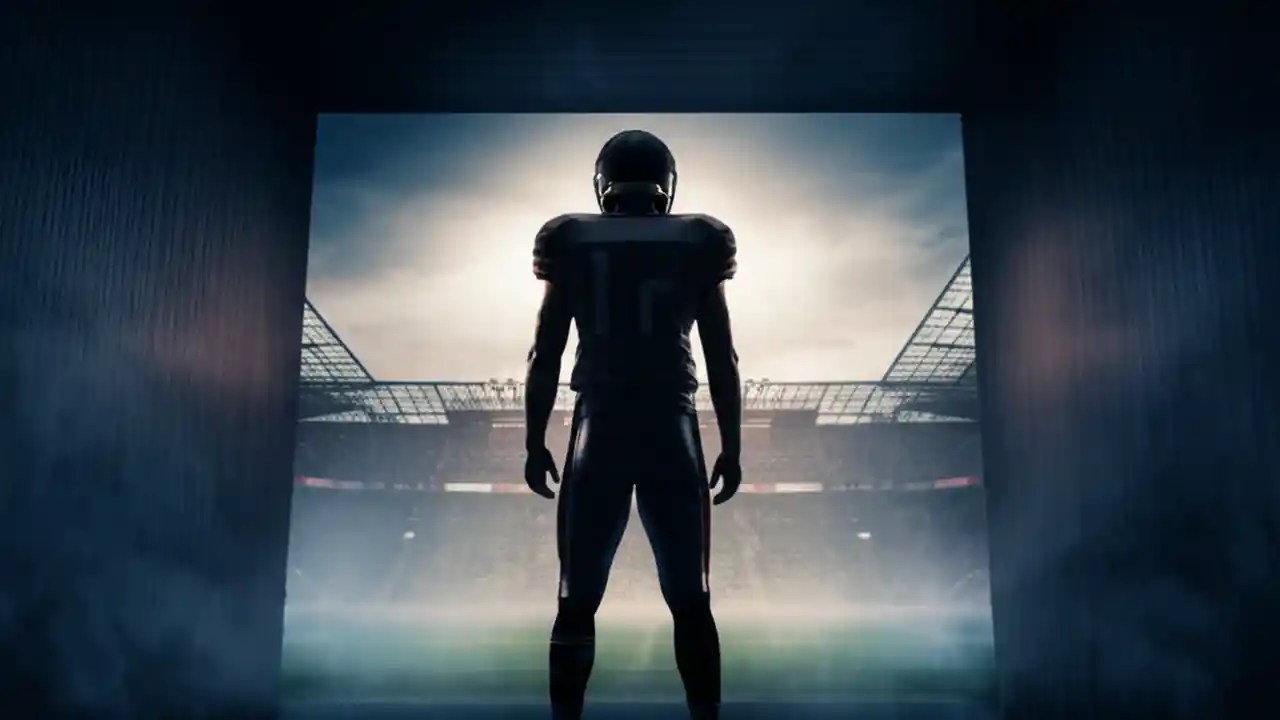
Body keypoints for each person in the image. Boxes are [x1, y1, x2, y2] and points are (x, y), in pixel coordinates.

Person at [523, 129, 744, 720]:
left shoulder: (570, 240)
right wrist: (734, 445)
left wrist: (533, 439)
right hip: (671, 427)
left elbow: (545, 352)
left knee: (575, 600)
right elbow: (722, 356)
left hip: (599, 425)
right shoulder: (699, 239)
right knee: (691, 599)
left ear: (602, 183)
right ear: (668, 185)